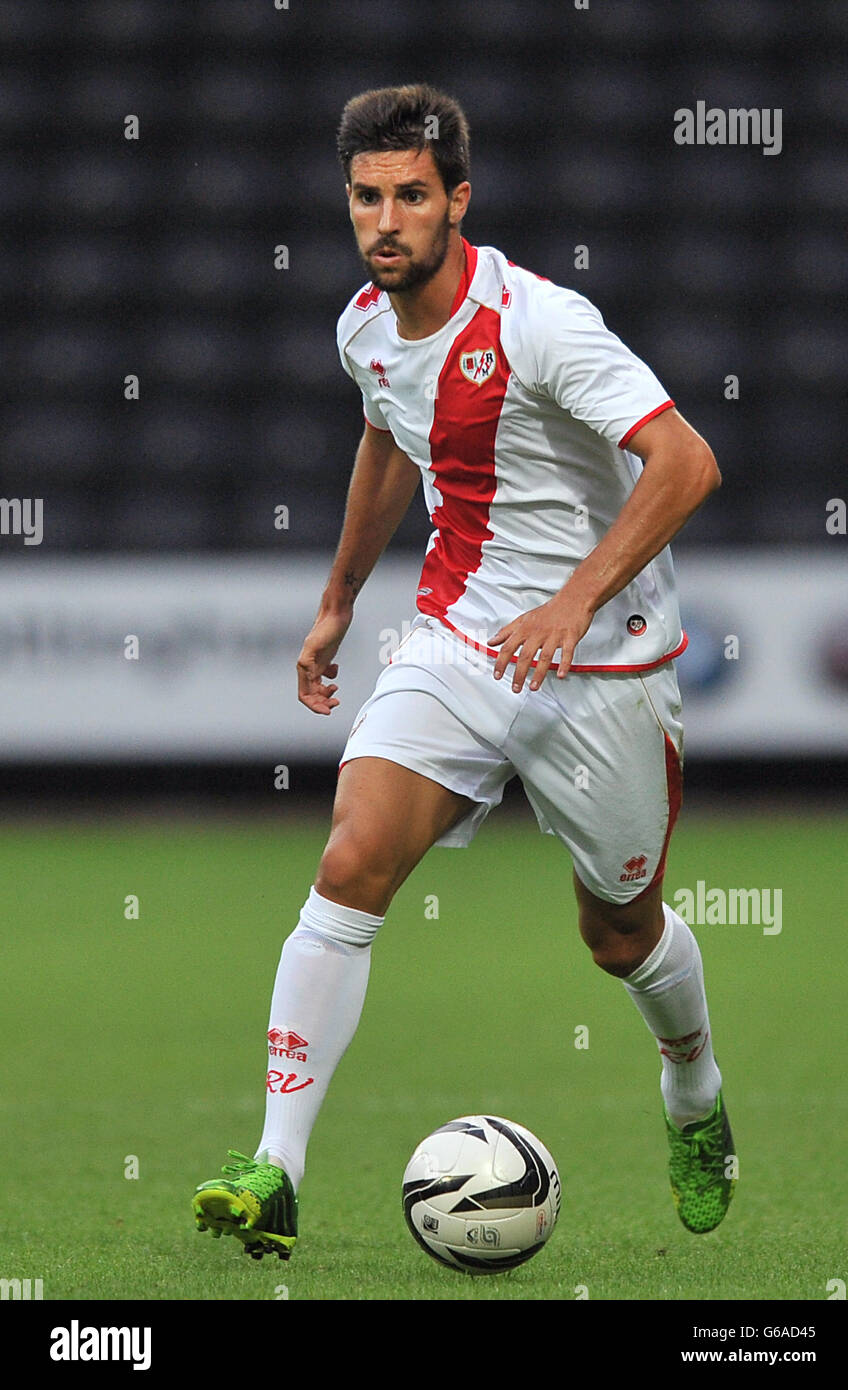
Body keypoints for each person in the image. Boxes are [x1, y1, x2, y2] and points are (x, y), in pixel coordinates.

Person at [192, 83, 734, 1261]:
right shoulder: (363, 328)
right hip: (455, 640)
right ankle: (275, 1167)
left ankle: (692, 1089)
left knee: (619, 933)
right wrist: (337, 602)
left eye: (410, 197)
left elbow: (686, 463)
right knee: (349, 860)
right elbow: (388, 433)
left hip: (602, 665)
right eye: (365, 197)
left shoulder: (542, 324)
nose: (384, 220)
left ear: (457, 204)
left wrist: (572, 599)